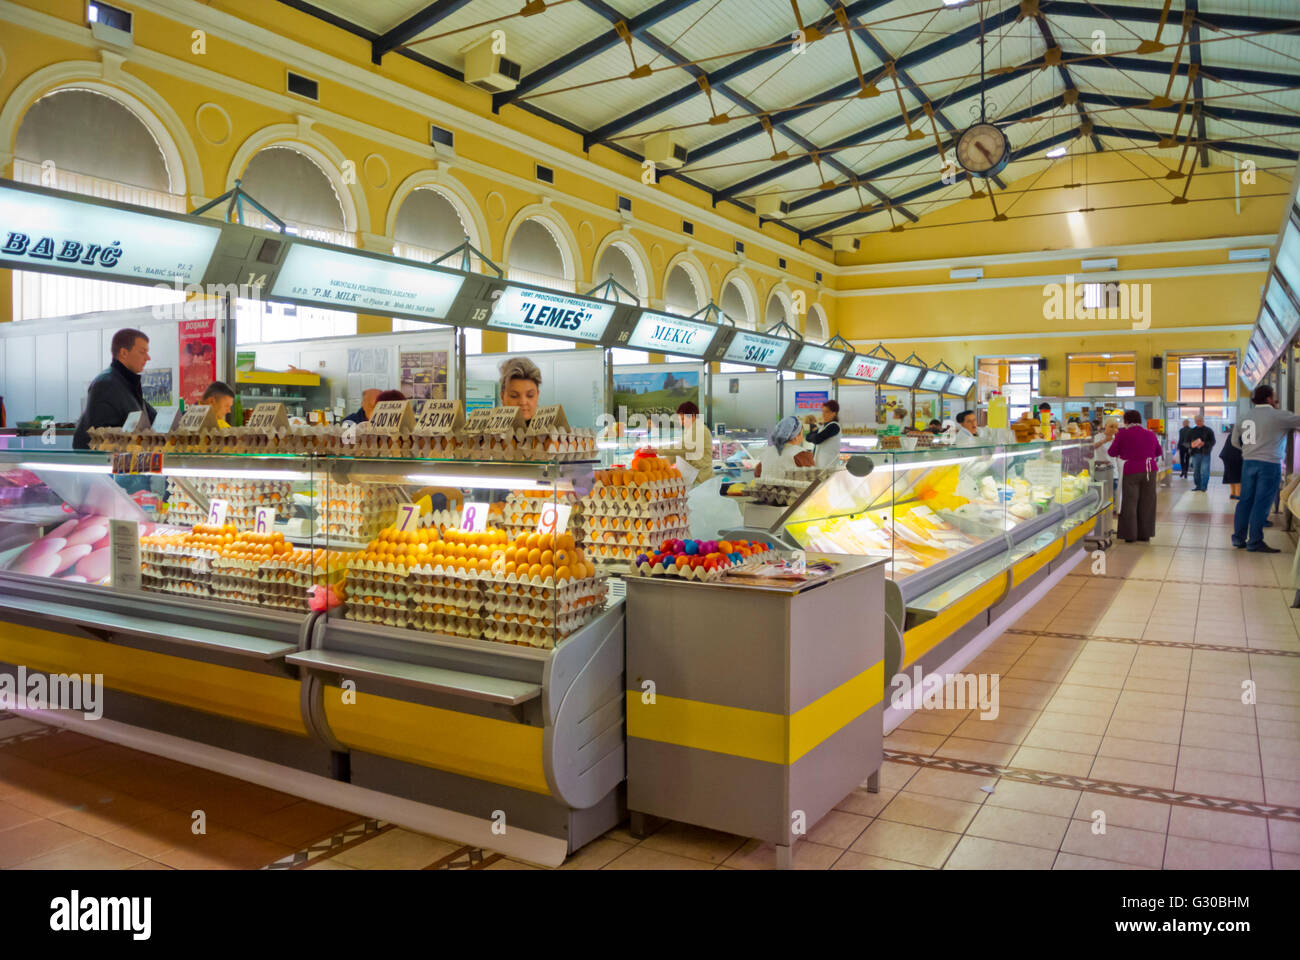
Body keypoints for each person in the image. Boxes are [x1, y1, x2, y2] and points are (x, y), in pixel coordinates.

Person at [1231, 384, 1300, 552]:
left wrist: (1250, 451)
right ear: (1269, 398)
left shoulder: (1244, 416)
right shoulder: (1278, 416)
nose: (1276, 400)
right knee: (1261, 503)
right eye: (1275, 397)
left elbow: (1234, 442)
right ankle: (1255, 541)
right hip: (1269, 464)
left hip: (1248, 463)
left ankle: (1239, 539)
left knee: (1245, 501)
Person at [72, 328, 156, 449]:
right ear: (124, 353)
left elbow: (154, 418)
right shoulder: (106, 384)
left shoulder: (128, 385)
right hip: (105, 465)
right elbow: (103, 439)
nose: (148, 358)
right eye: (142, 352)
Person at [1108, 409, 1162, 543]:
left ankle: (1130, 535)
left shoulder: (1122, 434)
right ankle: (1145, 534)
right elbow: (1158, 452)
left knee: (1130, 502)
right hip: (1150, 470)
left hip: (1131, 470)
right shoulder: (1150, 434)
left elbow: (1112, 452)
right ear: (1140, 420)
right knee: (1148, 502)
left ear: (1126, 421)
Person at [674, 401, 713, 486]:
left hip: (700, 479)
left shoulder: (699, 430)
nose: (682, 422)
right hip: (693, 478)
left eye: (683, 419)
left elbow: (681, 449)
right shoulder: (689, 429)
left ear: (693, 416)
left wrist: (657, 452)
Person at [499, 356, 542, 426]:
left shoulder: (554, 434)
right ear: (502, 397)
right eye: (514, 396)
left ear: (537, 395)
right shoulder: (489, 433)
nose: (523, 402)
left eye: (530, 395)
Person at [805, 400, 842, 469]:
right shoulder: (822, 427)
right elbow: (807, 437)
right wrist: (814, 436)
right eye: (823, 411)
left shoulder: (834, 426)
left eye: (827, 412)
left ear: (834, 413)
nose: (823, 414)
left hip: (829, 465)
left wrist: (814, 436)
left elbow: (817, 439)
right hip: (819, 465)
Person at [1187, 415, 1216, 492]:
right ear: (1195, 421)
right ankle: (1198, 486)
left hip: (1205, 453)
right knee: (1196, 471)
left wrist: (1204, 443)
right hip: (1195, 454)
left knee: (1205, 470)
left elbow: (1213, 442)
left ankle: (1204, 486)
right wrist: (1191, 445)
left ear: (1203, 421)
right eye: (1197, 421)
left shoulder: (1208, 430)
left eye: (1200, 421)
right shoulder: (1192, 431)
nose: (1198, 422)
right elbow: (1186, 442)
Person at [1220, 430, 1243, 500]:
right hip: (1235, 455)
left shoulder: (1233, 432)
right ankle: (1238, 494)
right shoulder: (1243, 433)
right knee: (1238, 475)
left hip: (1226, 455)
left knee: (1231, 474)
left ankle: (1233, 493)